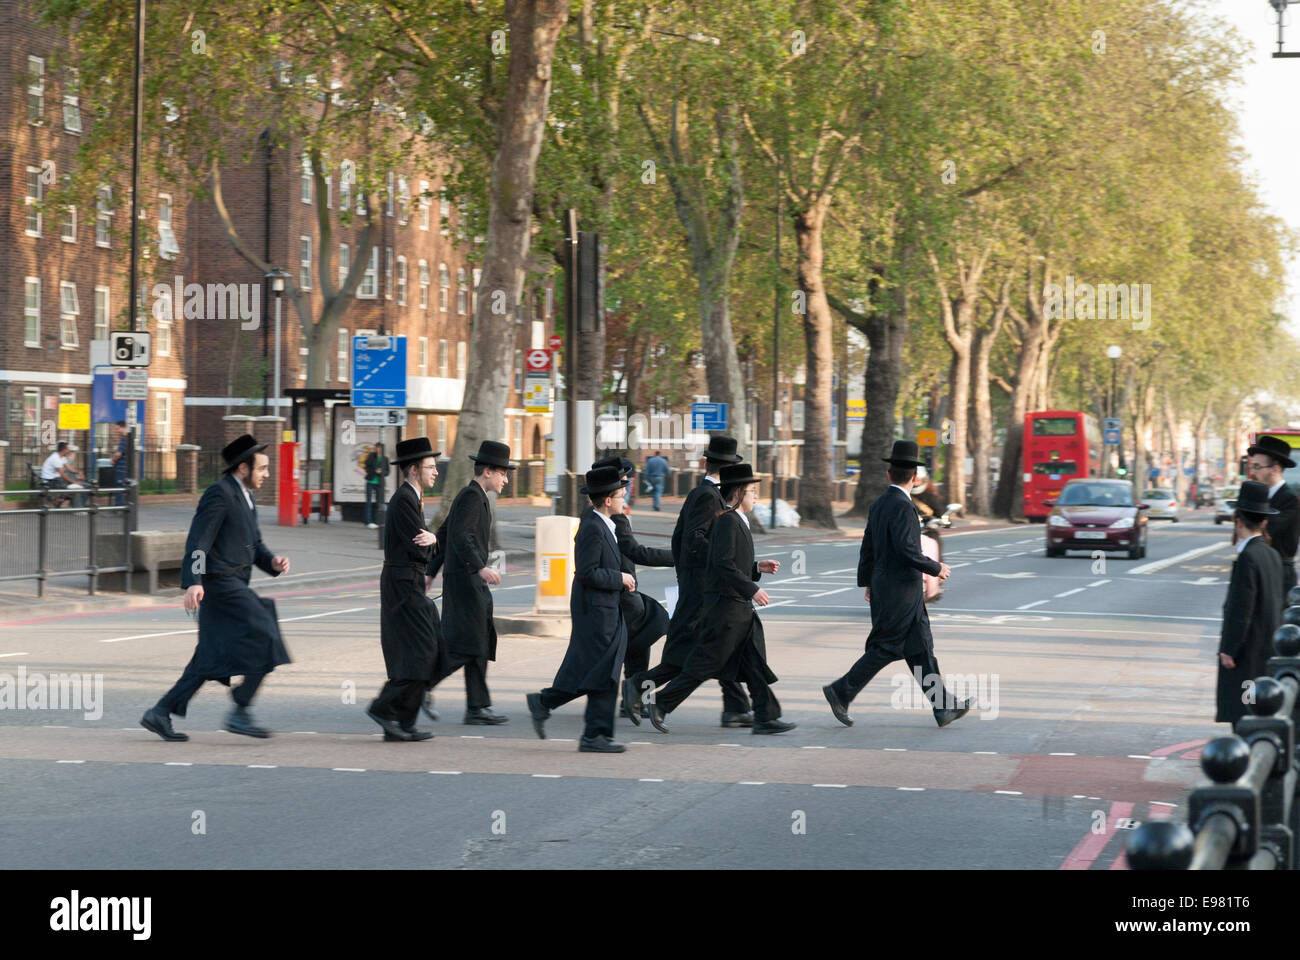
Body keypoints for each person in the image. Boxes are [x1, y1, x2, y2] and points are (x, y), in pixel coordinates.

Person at [140, 435, 291, 741]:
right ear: (243, 467)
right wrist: (194, 581)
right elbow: (199, 540)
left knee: (209, 657)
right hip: (220, 584)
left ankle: (160, 712)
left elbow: (255, 543)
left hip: (233, 582)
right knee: (265, 630)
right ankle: (240, 709)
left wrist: (271, 561)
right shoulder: (219, 494)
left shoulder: (246, 498)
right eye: (262, 468)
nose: (267, 474)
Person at [822, 440, 973, 729]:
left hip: (892, 589)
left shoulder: (880, 504)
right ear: (914, 477)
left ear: (889, 474)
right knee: (887, 647)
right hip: (900, 591)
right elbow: (906, 550)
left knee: (921, 648)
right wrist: (935, 567)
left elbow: (868, 546)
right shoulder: (903, 507)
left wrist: (867, 581)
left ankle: (943, 707)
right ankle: (841, 690)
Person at [641, 463, 794, 735]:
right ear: (737, 492)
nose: (756, 496)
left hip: (739, 609)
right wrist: (752, 589)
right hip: (727, 609)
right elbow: (721, 564)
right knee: (705, 663)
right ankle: (661, 703)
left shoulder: (737, 520)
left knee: (755, 663)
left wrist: (756, 568)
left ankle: (766, 717)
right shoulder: (727, 521)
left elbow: (731, 562)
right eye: (752, 491)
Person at [625, 435, 754, 727]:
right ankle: (639, 686)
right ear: (728, 469)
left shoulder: (709, 495)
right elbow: (694, 540)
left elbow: (686, 540)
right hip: (700, 589)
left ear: (708, 463)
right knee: (695, 651)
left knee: (714, 647)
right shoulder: (707, 497)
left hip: (702, 586)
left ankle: (736, 706)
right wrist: (721, 562)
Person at [527, 465, 635, 752]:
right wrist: (620, 578)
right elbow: (586, 572)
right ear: (608, 500)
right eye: (621, 495)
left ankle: (551, 706)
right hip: (596, 611)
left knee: (601, 670)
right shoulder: (592, 528)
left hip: (607, 608)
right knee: (603, 672)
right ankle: (594, 736)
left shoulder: (604, 525)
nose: (625, 499)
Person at [424, 439, 514, 724]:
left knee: (479, 639)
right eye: (503, 473)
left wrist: (430, 572)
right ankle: (421, 686)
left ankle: (477, 707)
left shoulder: (474, 496)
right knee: (465, 644)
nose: (506, 479)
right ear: (487, 471)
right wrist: (479, 568)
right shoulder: (471, 497)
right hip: (465, 581)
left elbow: (444, 533)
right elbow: (459, 537)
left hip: (465, 578)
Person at [588, 456, 675, 721]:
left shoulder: (599, 513)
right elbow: (636, 552)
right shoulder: (614, 516)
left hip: (613, 591)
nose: (628, 486)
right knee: (646, 633)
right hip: (621, 591)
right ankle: (630, 697)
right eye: (626, 480)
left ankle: (630, 698)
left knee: (631, 644)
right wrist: (678, 557)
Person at [366, 438, 441, 742]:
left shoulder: (413, 498)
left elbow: (424, 546)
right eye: (430, 467)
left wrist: (431, 541)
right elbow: (419, 548)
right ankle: (384, 709)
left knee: (426, 646)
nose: (436, 472)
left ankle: (404, 720)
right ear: (413, 469)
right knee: (420, 649)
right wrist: (433, 542)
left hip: (408, 580)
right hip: (402, 583)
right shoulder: (404, 500)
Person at [1216, 480, 1283, 724]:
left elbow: (1241, 608)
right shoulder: (1271, 554)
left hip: (1245, 654)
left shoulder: (1248, 557)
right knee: (1257, 711)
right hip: (1266, 650)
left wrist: (1229, 649)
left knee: (1242, 713)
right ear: (1264, 521)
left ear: (1238, 520)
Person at [1244, 435, 1300, 601]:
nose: (1253, 472)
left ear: (1274, 468)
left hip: (1278, 575)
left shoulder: (1289, 500)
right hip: (1259, 570)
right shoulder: (1260, 496)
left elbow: (1263, 531)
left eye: (1257, 466)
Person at [363, 442, 390, 529]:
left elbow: (387, 472)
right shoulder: (372, 456)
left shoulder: (385, 458)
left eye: (380, 448)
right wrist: (375, 470)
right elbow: (367, 464)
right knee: (368, 502)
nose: (378, 449)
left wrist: (381, 472)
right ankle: (368, 521)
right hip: (370, 481)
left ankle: (376, 521)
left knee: (379, 502)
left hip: (379, 483)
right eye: (377, 447)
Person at [110, 420, 129, 506]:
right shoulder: (129, 439)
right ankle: (124, 506)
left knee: (119, 487)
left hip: (121, 468)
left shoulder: (124, 440)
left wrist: (113, 460)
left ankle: (118, 508)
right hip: (125, 468)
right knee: (124, 488)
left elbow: (118, 454)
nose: (117, 431)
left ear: (123, 428)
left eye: (118, 429)